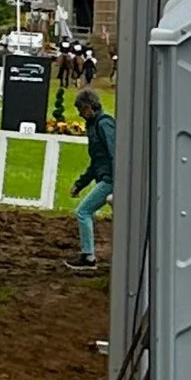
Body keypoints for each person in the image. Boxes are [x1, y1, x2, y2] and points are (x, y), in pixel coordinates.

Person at [70, 86, 113, 270]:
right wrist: (80, 184)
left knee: (83, 212)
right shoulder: (96, 125)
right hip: (111, 178)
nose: (80, 114)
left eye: (81, 110)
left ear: (89, 107)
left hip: (111, 180)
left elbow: (116, 153)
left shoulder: (103, 124)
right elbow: (97, 162)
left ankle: (88, 257)